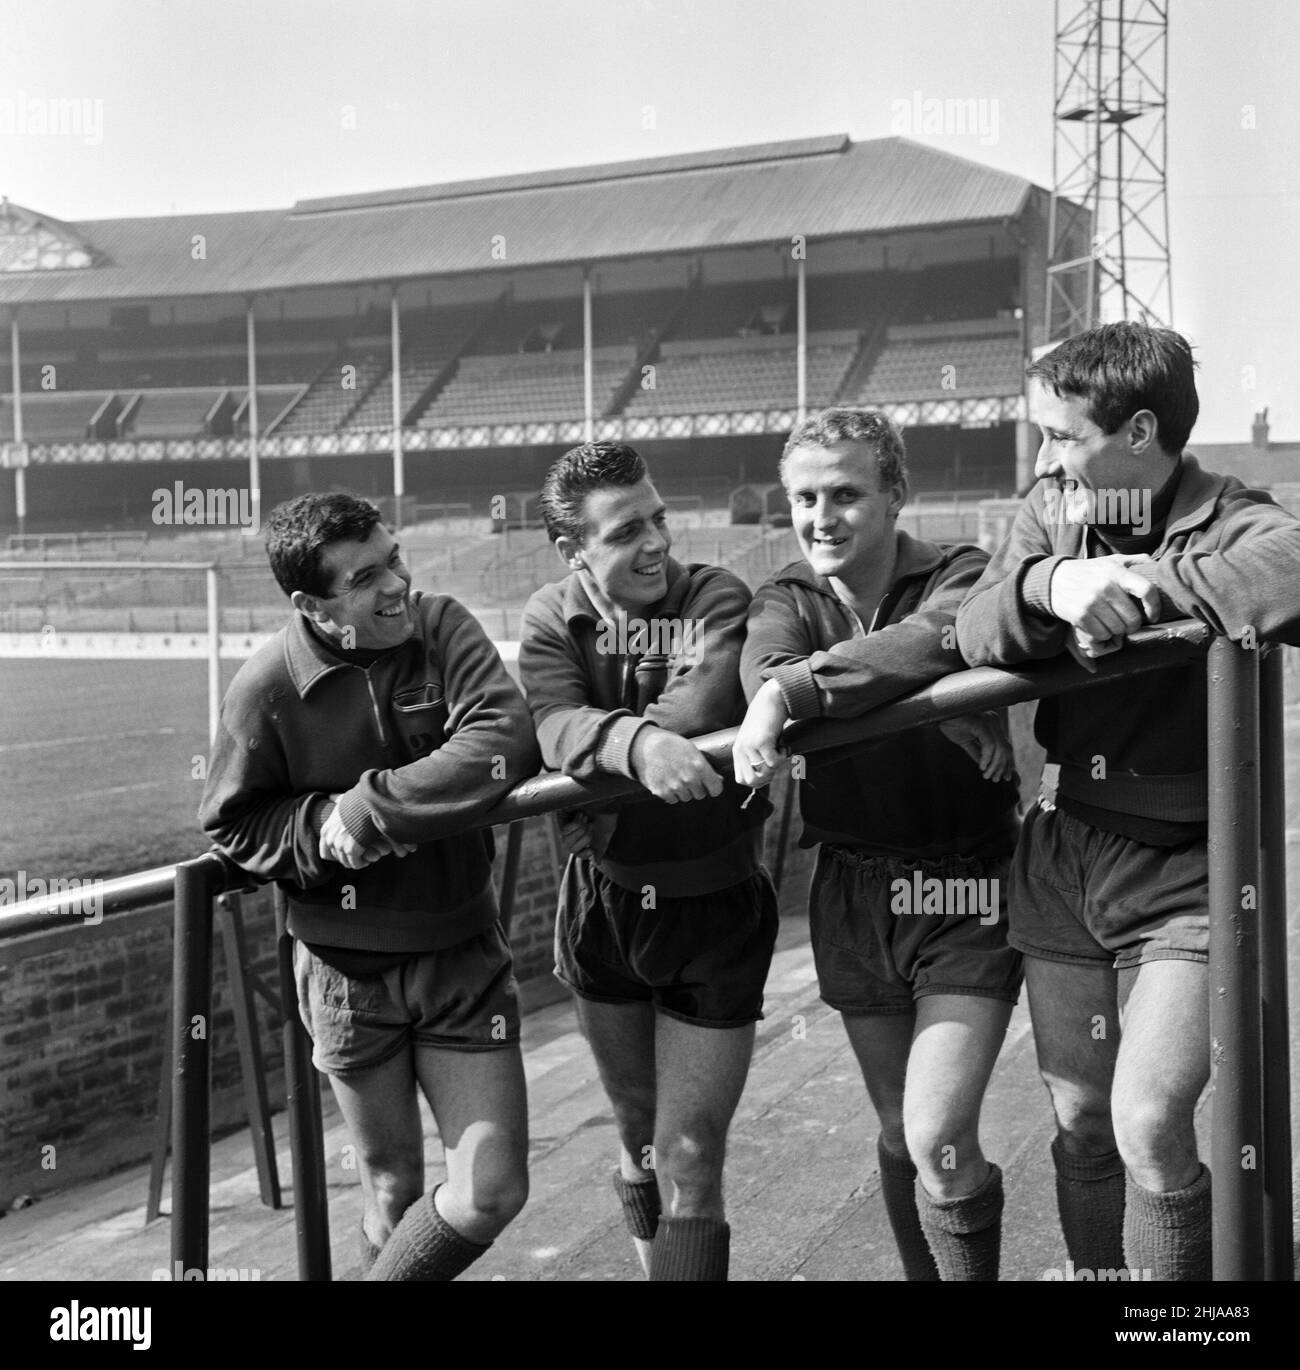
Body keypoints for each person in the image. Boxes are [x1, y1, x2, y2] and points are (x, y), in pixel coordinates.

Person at [955, 321, 1300, 1280]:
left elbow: (1294, 569)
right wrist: (1057, 580)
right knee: (1082, 1123)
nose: (1044, 458)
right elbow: (977, 625)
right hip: (1069, 850)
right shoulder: (1050, 508)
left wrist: (1143, 587)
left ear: (1141, 432)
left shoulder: (1234, 511)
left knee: (1150, 1123)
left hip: (1194, 865)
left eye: (1061, 436)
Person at [200, 491, 540, 1281]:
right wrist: (321, 829)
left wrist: (369, 810)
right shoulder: (265, 688)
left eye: (394, 558)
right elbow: (233, 824)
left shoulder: (440, 623)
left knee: (490, 1190)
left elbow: (505, 739)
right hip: (344, 974)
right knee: (391, 1189)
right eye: (365, 577)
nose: (395, 585)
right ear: (310, 606)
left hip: (461, 953)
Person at [735, 406, 1022, 1281]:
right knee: (901, 1132)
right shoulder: (787, 595)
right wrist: (784, 691)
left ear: (898, 493)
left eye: (847, 494)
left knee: (939, 1135)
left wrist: (797, 696)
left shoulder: (961, 569)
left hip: (963, 885)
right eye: (805, 498)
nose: (823, 517)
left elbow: (935, 639)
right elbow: (761, 664)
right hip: (854, 887)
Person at [518, 441, 777, 1281]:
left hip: (714, 903)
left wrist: (612, 754)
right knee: (636, 1130)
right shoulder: (550, 616)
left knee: (692, 1152)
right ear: (572, 550)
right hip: (604, 901)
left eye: (660, 517)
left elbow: (703, 702)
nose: (658, 541)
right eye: (627, 530)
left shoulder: (716, 593)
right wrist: (634, 743)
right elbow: (552, 725)